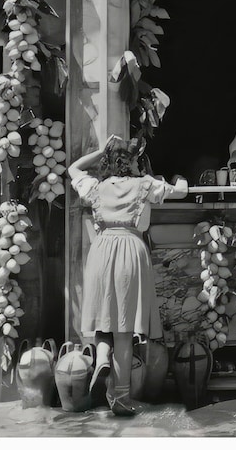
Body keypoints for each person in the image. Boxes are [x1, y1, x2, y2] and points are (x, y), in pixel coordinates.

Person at [68, 134, 188, 416]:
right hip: (131, 250)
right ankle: (120, 397)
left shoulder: (96, 187)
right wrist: (180, 177)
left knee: (101, 317)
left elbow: (73, 169)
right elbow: (181, 191)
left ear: (108, 163)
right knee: (123, 330)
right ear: (134, 162)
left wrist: (99, 151)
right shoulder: (145, 185)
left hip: (102, 248)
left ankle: (100, 358)